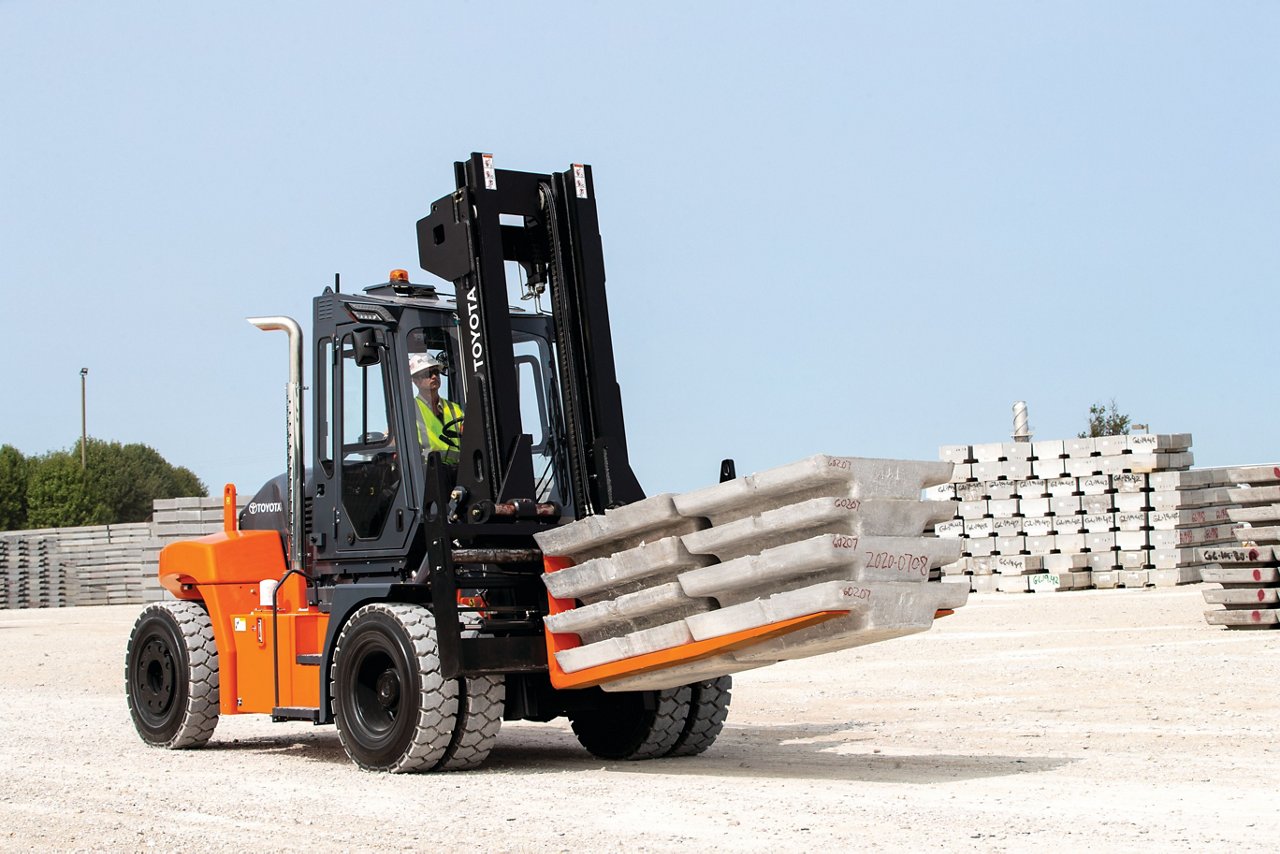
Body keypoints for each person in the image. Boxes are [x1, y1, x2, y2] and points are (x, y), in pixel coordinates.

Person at [409, 353, 464, 464]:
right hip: (428, 471)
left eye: (436, 372)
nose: (434, 377)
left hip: (460, 469)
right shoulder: (410, 411)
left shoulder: (454, 408)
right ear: (416, 381)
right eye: (428, 374)